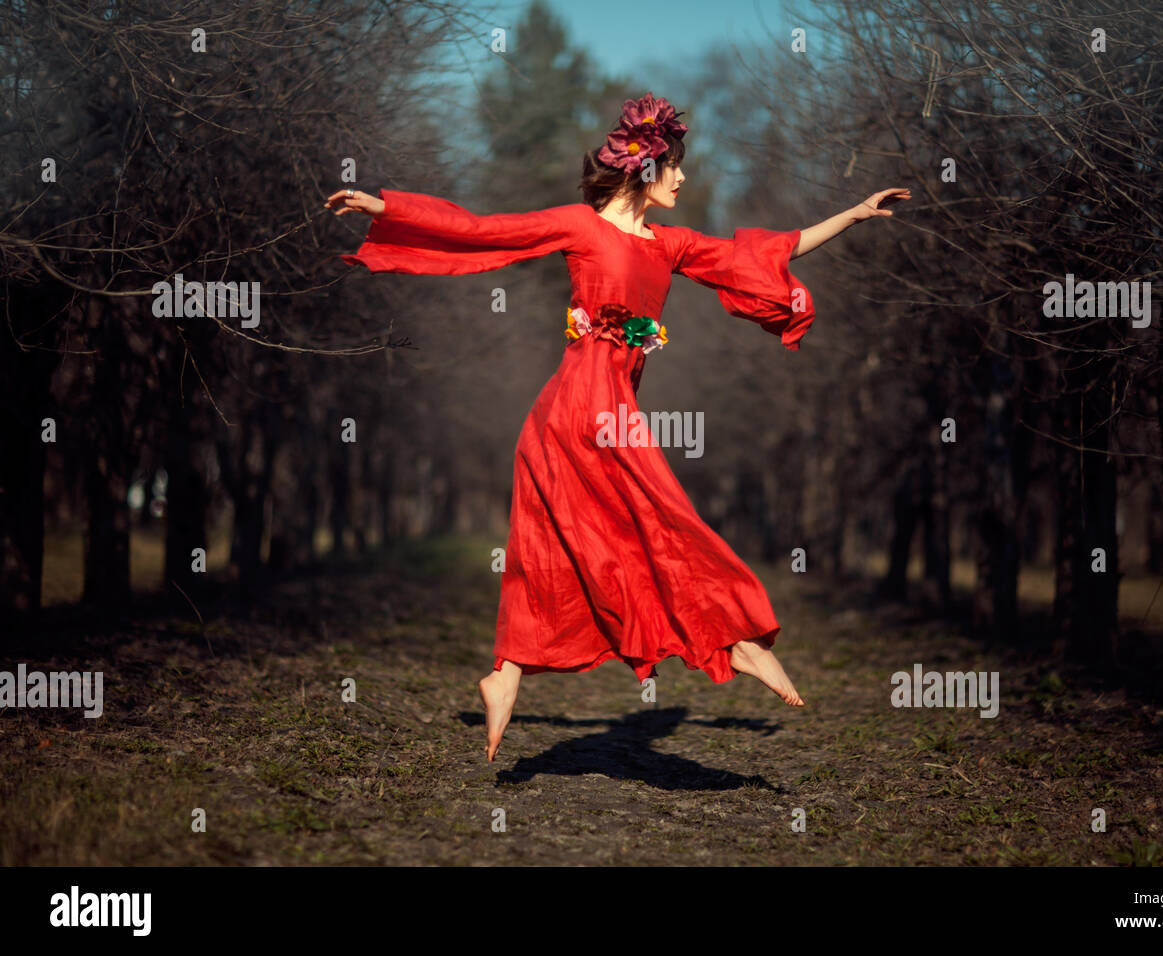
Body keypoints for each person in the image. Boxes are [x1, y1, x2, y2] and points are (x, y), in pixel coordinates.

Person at [326, 92, 909, 761]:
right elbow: (483, 232)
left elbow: (772, 255)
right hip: (584, 403)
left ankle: (507, 676)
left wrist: (856, 214)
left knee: (573, 546)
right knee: (660, 517)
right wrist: (387, 207)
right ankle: (732, 641)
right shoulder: (580, 225)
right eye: (676, 168)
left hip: (597, 410)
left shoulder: (672, 244)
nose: (684, 180)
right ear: (644, 169)